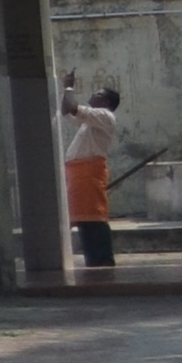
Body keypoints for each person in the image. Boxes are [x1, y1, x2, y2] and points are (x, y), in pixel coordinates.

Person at [61, 86, 126, 273]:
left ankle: (103, 261)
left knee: (93, 219)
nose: (92, 95)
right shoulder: (91, 120)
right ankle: (95, 261)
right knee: (84, 219)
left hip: (89, 173)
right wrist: (66, 89)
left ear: (105, 101)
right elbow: (66, 111)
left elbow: (73, 108)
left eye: (97, 94)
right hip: (80, 173)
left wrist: (69, 86)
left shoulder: (104, 116)